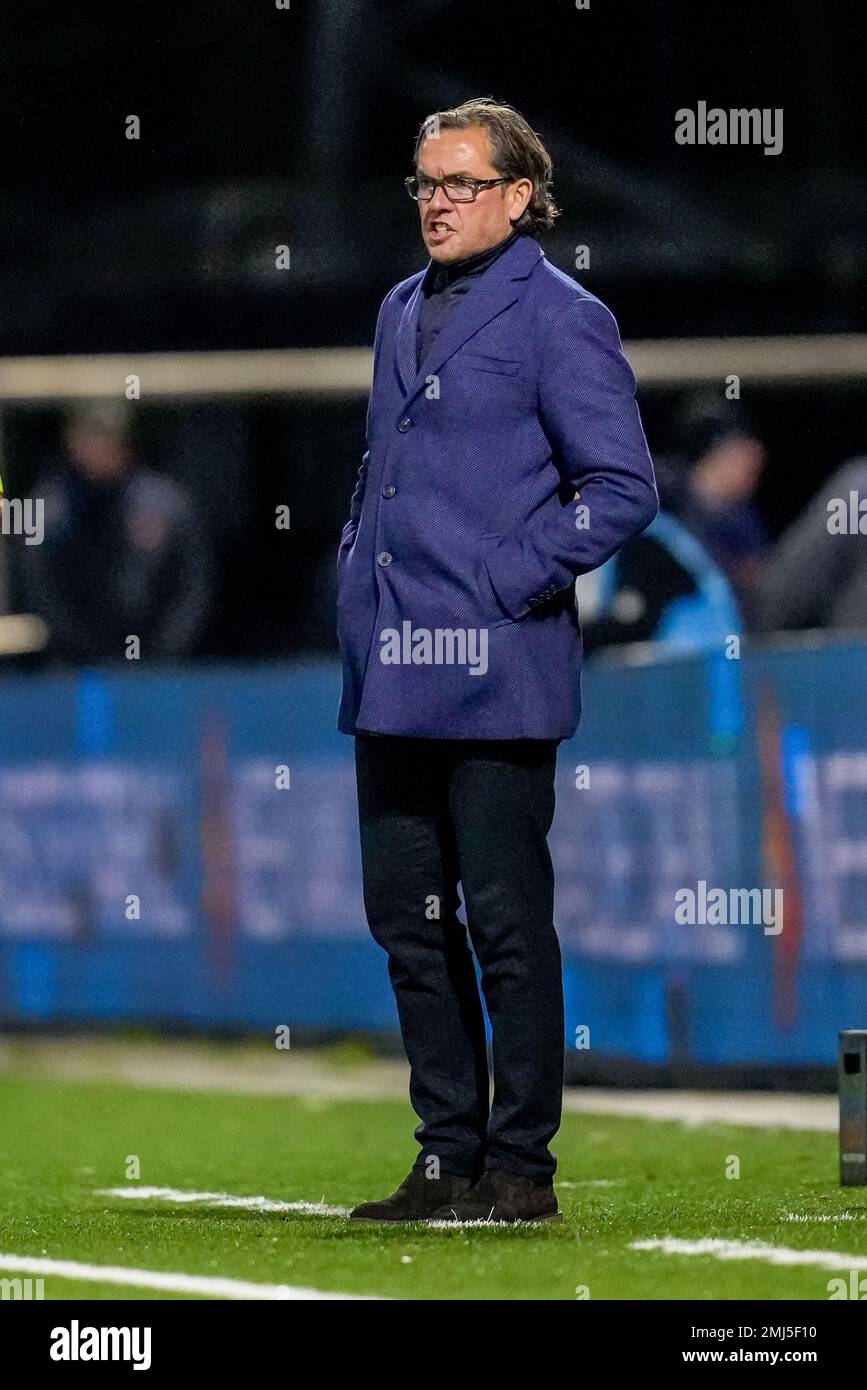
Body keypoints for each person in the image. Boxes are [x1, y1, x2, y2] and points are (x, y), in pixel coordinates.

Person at [336, 98, 658, 1224]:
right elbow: (385, 478)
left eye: (462, 183)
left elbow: (623, 487)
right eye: (425, 182)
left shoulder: (562, 317)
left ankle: (520, 1168)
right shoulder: (395, 309)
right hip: (393, 672)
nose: (437, 202)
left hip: (495, 671)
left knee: (507, 927)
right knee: (409, 925)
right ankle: (444, 1155)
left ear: (521, 198)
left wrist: (507, 577)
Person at [23, 400, 213, 665]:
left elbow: (192, 587)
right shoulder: (47, 510)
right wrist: (84, 651)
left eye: (109, 439)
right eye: (89, 439)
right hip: (73, 666)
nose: (99, 450)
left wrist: (160, 652)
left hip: (158, 665)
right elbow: (39, 593)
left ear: (127, 443)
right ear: (72, 443)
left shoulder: (166, 504)